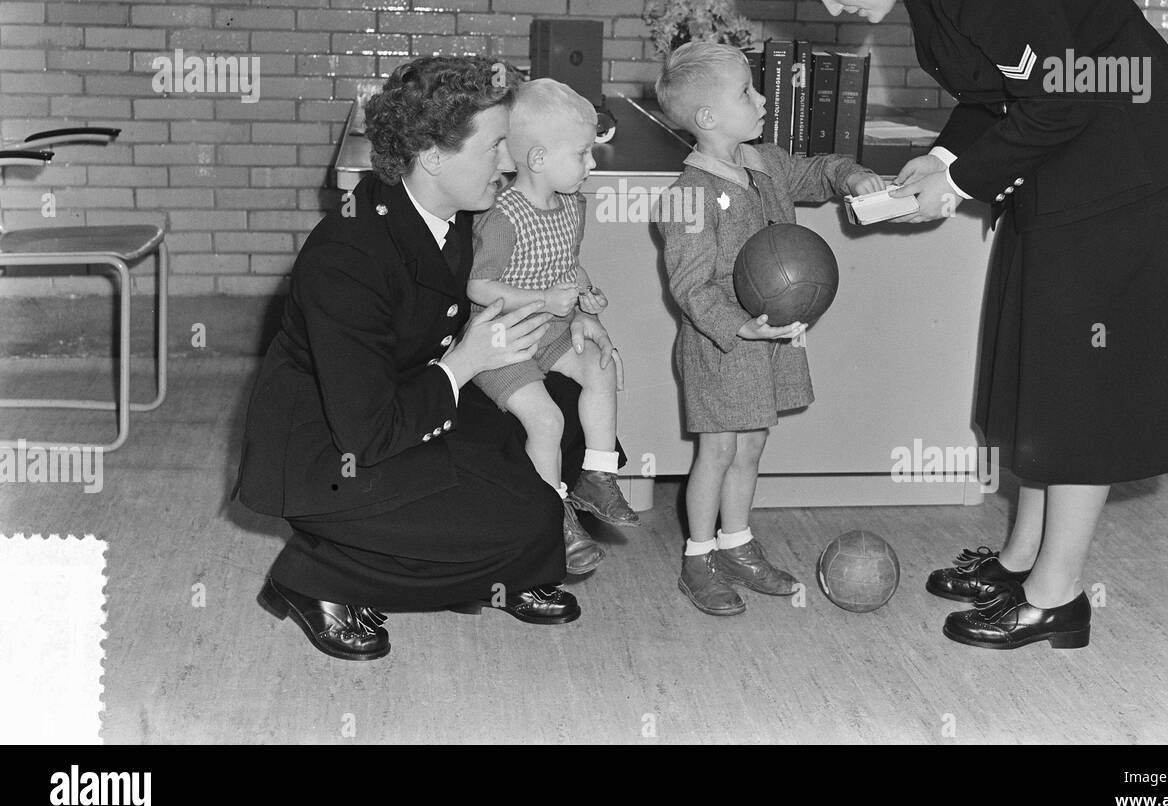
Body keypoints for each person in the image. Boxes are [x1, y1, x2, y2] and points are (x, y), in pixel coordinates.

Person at [765, 0, 1168, 650]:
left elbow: (1062, 97)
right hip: (1070, 162)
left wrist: (962, 181)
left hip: (1121, 169)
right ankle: (1020, 560)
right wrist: (941, 159)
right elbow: (995, 92)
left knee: (1080, 384)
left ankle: (1056, 595)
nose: (835, 11)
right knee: (1040, 366)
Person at [231, 56, 622, 660]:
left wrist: (579, 315)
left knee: (563, 408)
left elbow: (515, 287)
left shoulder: (460, 211)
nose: (511, 163)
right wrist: (465, 362)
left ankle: (514, 555)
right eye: (495, 148)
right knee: (518, 524)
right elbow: (367, 428)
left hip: (417, 402)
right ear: (434, 158)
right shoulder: (348, 257)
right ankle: (315, 578)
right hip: (334, 450)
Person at [654, 41, 884, 615]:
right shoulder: (688, 195)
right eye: (746, 92)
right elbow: (688, 285)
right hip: (723, 348)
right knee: (717, 450)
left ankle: (736, 544)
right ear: (708, 120)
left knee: (751, 446)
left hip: (774, 340)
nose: (762, 99)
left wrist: (852, 175)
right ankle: (698, 556)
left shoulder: (767, 162)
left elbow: (818, 170)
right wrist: (738, 327)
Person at [468, 78, 638, 576]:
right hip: (504, 342)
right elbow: (478, 286)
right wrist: (544, 298)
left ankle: (598, 476)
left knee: (602, 366)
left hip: (551, 333)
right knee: (547, 420)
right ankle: (552, 516)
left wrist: (587, 296)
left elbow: (568, 262)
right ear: (538, 159)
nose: (591, 165)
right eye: (583, 154)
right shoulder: (503, 217)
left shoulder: (570, 207)